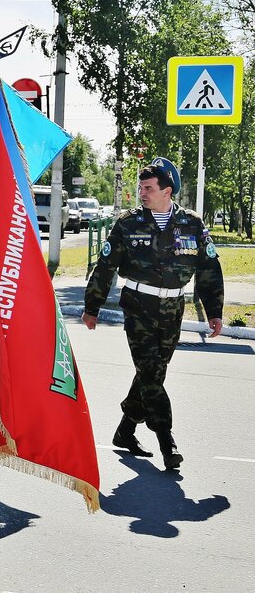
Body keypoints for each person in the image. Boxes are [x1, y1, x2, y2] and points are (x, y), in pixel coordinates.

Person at [82, 157, 223, 471]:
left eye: (148, 188)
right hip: (139, 307)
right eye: (140, 188)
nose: (141, 193)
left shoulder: (192, 223)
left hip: (174, 309)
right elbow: (105, 267)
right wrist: (92, 305)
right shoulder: (128, 223)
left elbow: (209, 269)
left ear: (167, 191)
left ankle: (125, 430)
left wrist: (214, 311)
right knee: (151, 371)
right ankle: (166, 439)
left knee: (152, 374)